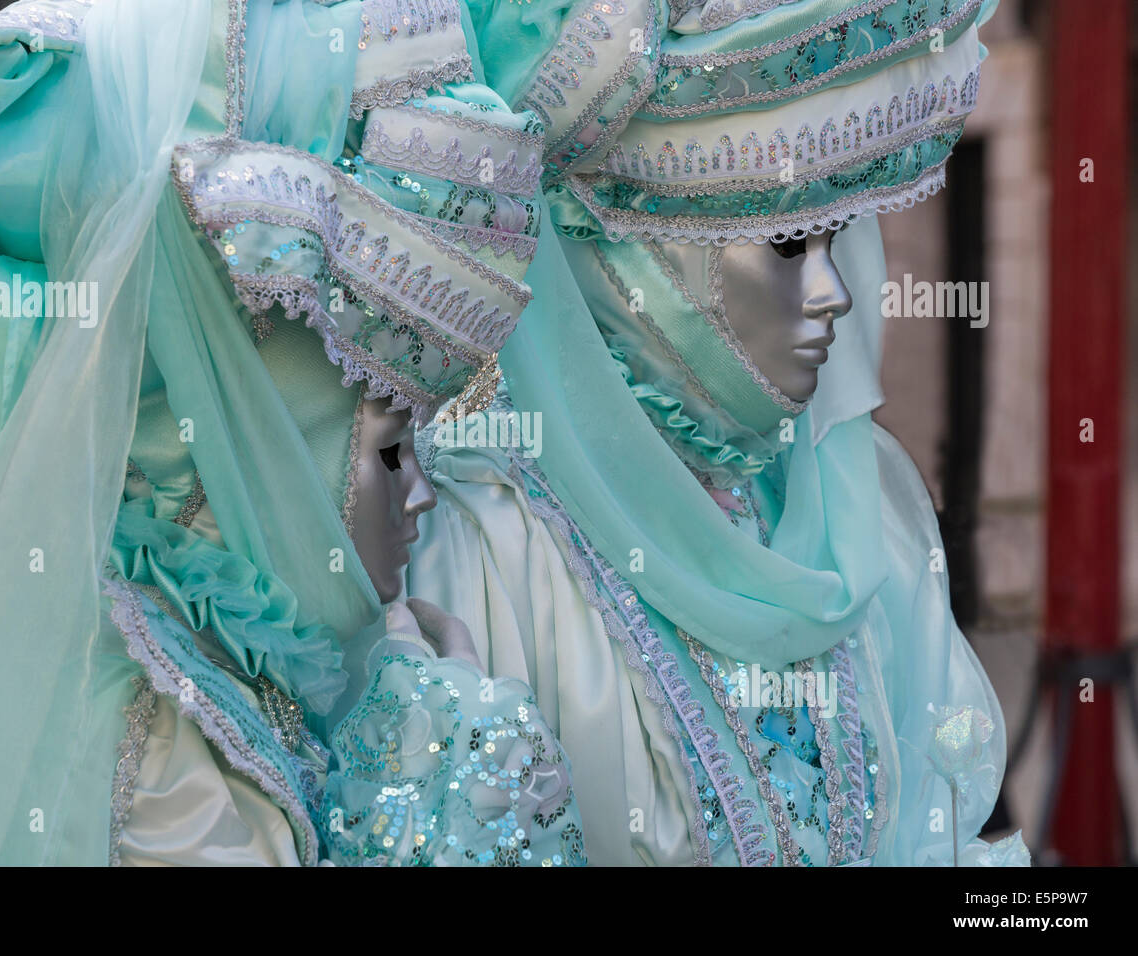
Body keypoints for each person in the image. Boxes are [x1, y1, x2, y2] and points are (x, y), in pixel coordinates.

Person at [0, 0, 584, 866]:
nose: (420, 493)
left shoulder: (221, 671)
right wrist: (465, 769)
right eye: (388, 448)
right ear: (250, 450)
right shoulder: (158, 754)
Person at [407, 0, 1030, 865]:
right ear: (626, 258)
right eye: (784, 244)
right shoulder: (473, 547)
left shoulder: (863, 511)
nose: (832, 294)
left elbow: (944, 837)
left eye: (835, 241)